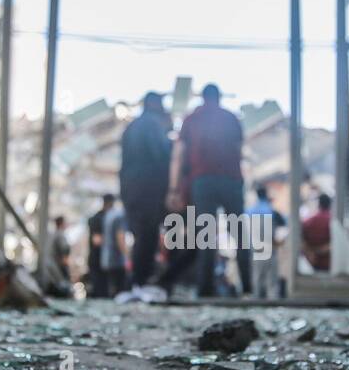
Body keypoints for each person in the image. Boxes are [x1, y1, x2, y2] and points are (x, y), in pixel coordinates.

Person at [164, 83, 252, 297]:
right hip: (231, 179)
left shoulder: (191, 119)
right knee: (239, 234)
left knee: (206, 236)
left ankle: (205, 289)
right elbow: (240, 151)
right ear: (219, 97)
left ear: (202, 98)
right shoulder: (231, 118)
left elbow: (179, 154)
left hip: (202, 180)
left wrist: (174, 189)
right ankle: (248, 288)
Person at [119, 92, 173, 289]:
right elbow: (162, 156)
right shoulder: (152, 125)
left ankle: (138, 281)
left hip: (131, 189)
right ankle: (141, 281)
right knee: (148, 237)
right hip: (149, 190)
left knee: (142, 236)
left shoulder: (131, 128)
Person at [246, 185, 286, 299]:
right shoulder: (271, 210)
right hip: (270, 247)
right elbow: (283, 228)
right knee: (272, 279)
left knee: (257, 277)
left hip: (255, 248)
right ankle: (272, 300)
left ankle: (256, 299)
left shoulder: (249, 211)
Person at [86, 194, 114, 298]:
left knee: (104, 289)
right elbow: (96, 240)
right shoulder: (98, 218)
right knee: (99, 290)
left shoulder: (106, 217)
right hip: (97, 258)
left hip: (103, 259)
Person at [100, 198, 129, 295]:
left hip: (106, 258)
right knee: (120, 291)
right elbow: (120, 238)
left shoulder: (108, 215)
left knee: (111, 288)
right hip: (117, 259)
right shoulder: (120, 216)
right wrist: (128, 257)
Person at [301, 194, 332, 273]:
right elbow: (336, 243)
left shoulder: (308, 221)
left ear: (319, 204)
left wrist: (310, 252)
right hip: (330, 265)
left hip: (313, 264)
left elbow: (300, 240)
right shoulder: (333, 221)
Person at [46, 215, 71, 293]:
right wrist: (65, 258)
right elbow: (64, 248)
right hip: (58, 263)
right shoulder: (60, 234)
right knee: (62, 284)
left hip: (52, 262)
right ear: (62, 223)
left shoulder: (53, 234)